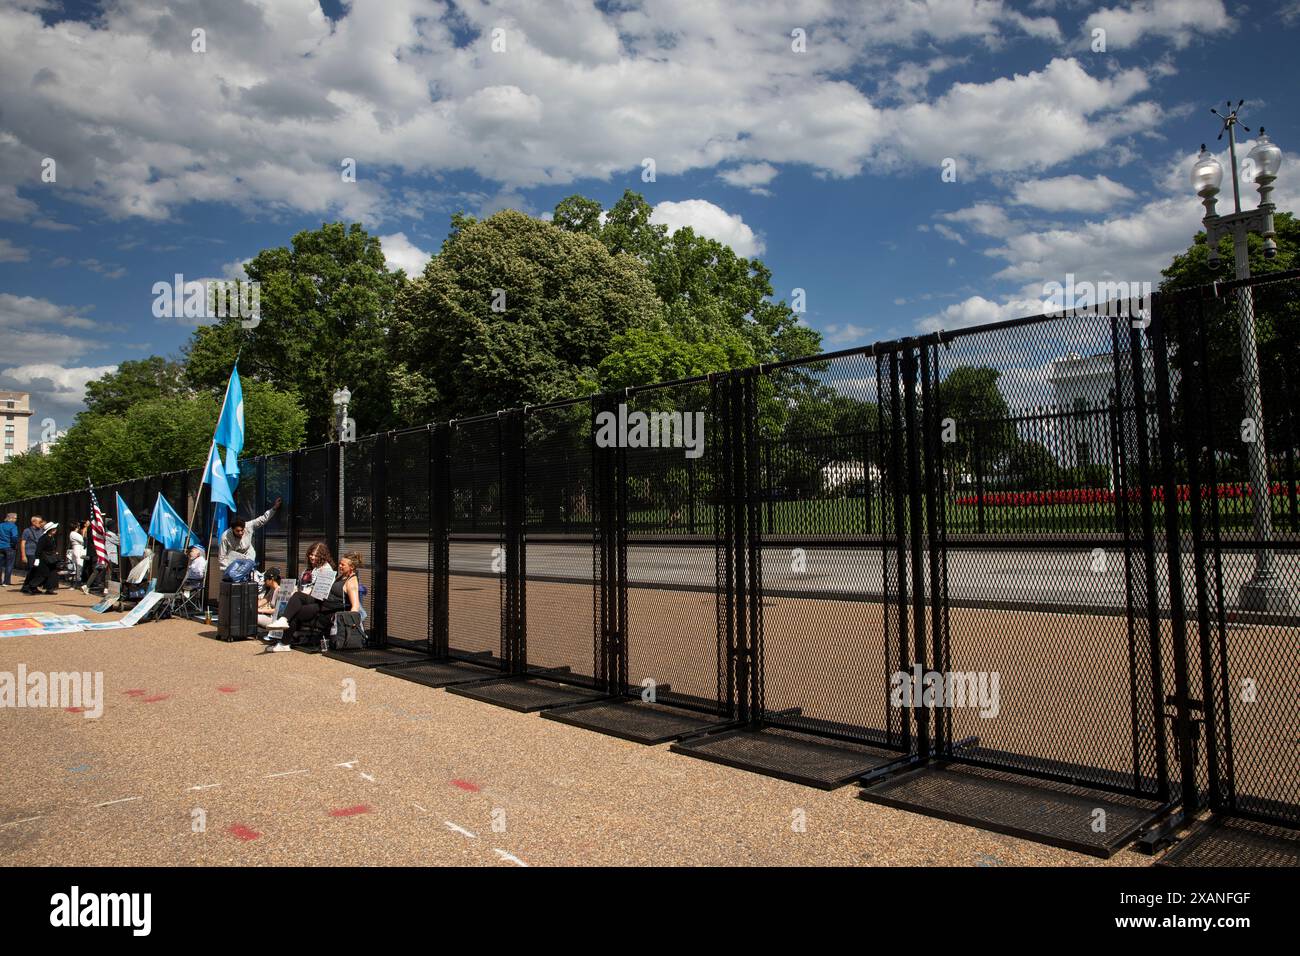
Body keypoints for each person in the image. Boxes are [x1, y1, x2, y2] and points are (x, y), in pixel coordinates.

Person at [265, 542, 355, 647]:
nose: (312, 557)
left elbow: (321, 590)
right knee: (294, 609)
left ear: (322, 556)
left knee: (297, 598)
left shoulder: (326, 569)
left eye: (316, 555)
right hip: (309, 600)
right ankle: (284, 642)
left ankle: (284, 628)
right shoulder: (311, 568)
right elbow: (302, 585)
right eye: (311, 554)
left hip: (319, 601)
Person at [218, 497, 283, 571]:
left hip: (248, 555)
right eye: (237, 531)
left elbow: (263, 519)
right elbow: (222, 557)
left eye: (242, 530)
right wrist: (229, 569)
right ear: (232, 529)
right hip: (233, 559)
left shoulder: (249, 526)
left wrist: (274, 508)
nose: (240, 533)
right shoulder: (225, 537)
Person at [21, 522, 61, 595]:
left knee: (52, 573)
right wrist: (37, 558)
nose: (55, 530)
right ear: (50, 530)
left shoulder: (51, 537)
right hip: (44, 559)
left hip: (51, 559)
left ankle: (49, 589)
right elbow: (39, 549)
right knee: (42, 574)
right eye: (54, 529)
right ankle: (32, 586)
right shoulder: (43, 538)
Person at [19, 516, 45, 593]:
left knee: (37, 570)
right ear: (33, 522)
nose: (41, 523)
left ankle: (31, 586)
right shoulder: (27, 531)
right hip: (30, 553)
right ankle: (28, 586)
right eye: (39, 522)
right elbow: (23, 543)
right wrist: (23, 555)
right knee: (32, 570)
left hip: (38, 553)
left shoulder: (41, 530)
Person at [0, 512, 18, 586]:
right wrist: (14, 544)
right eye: (15, 518)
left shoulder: (0, 525)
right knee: (9, 564)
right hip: (9, 547)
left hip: (0, 547)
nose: (16, 519)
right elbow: (14, 536)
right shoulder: (13, 526)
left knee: (0, 564)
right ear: (12, 518)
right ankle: (6, 582)